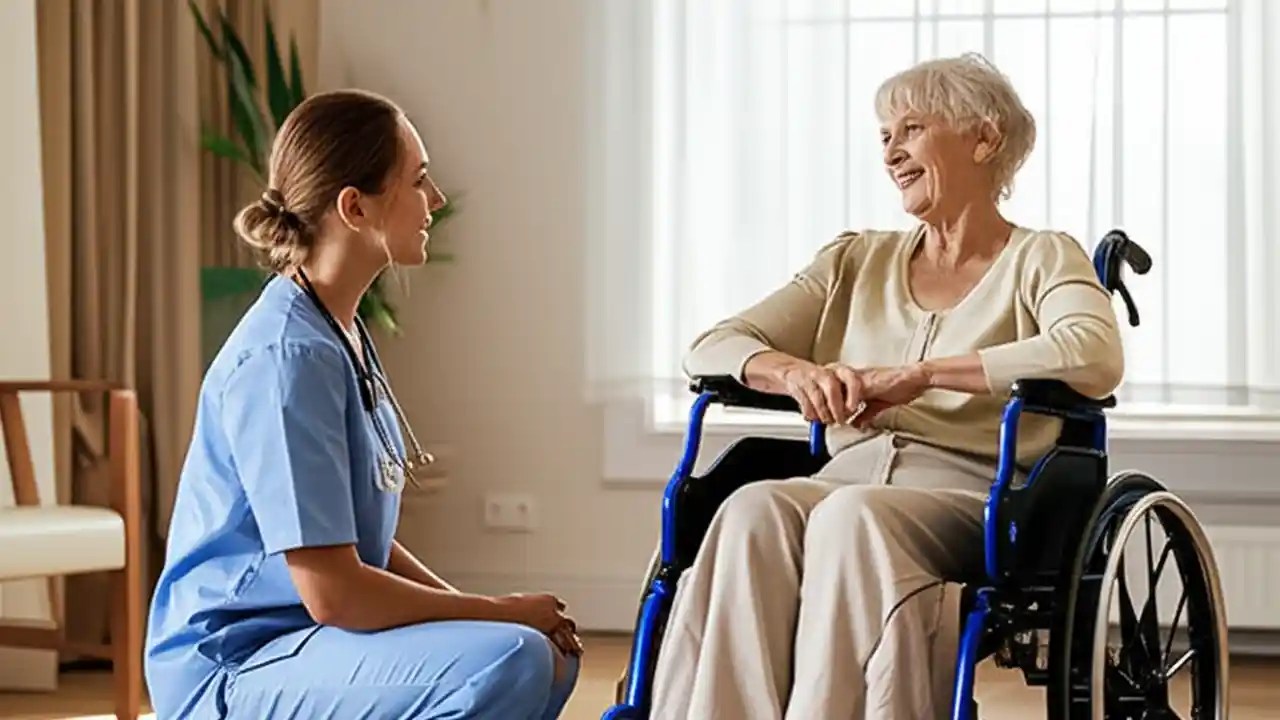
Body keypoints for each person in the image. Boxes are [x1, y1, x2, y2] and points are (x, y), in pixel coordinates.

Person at [648, 53, 1125, 719]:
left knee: (851, 518)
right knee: (752, 510)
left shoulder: (1043, 256)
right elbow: (715, 344)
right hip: (846, 475)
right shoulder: (854, 259)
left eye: (911, 129)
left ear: (984, 139)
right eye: (883, 136)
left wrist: (924, 375)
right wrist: (797, 372)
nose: (891, 152)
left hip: (976, 495)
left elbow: (1092, 352)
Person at [145, 89, 581, 719]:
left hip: (310, 644)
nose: (435, 201)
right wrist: (492, 613)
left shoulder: (338, 329)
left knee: (544, 655)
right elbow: (333, 593)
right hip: (233, 666)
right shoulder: (287, 359)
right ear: (354, 206)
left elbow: (360, 545)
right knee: (511, 656)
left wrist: (488, 614)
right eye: (419, 180)